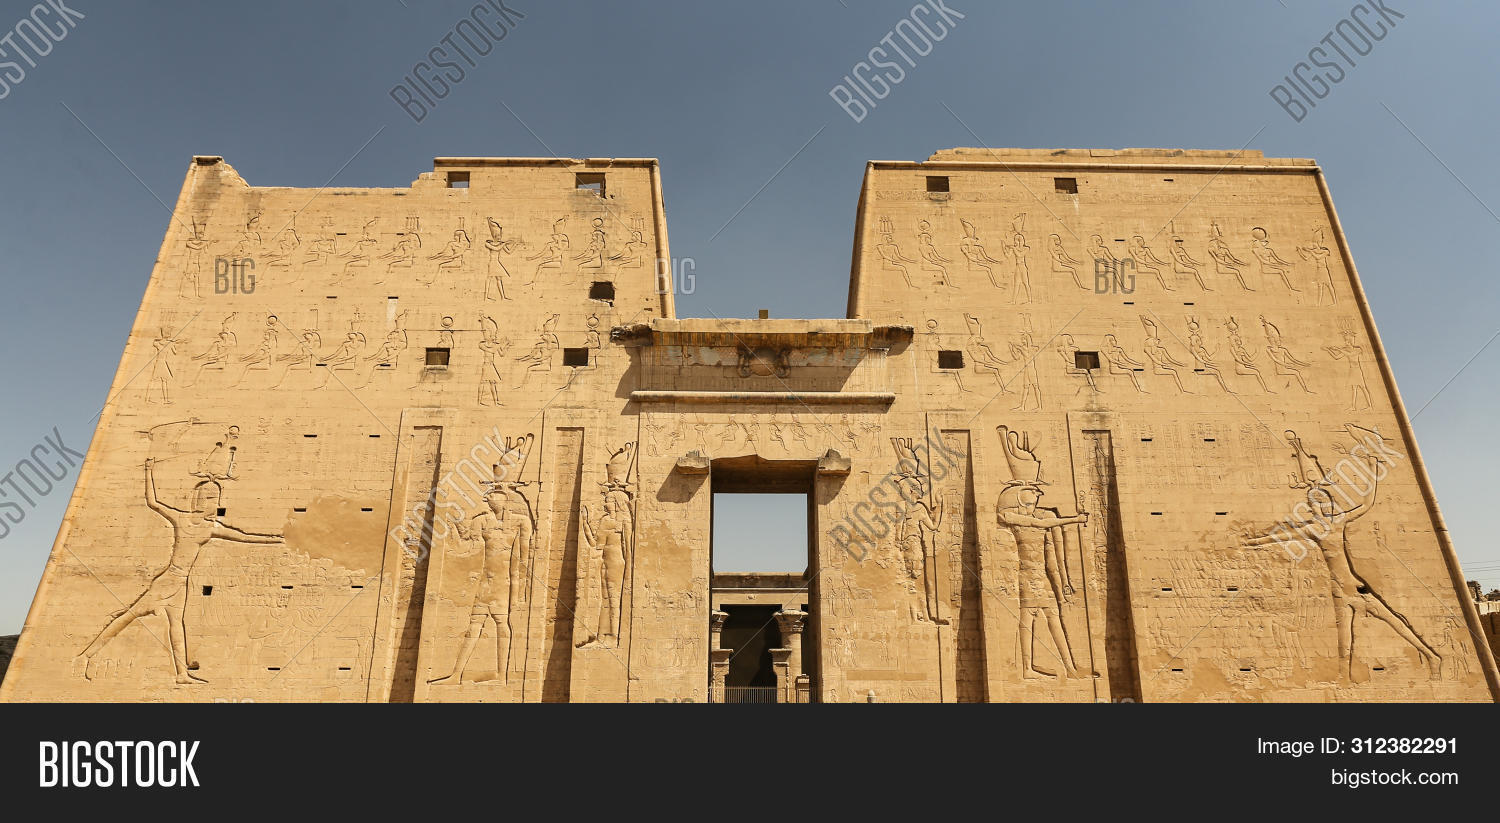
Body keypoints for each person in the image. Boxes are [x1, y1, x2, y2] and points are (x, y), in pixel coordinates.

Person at [77, 459, 283, 684]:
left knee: (176, 626)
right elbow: (153, 502)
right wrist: (148, 471)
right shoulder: (183, 519)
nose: (214, 503)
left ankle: (182, 674)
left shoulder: (209, 528)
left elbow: (244, 537)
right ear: (199, 499)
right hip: (168, 580)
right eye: (210, 498)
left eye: (216, 499)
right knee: (129, 616)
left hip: (180, 584)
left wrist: (275, 539)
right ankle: (85, 656)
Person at [998, 481, 1088, 679]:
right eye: (1030, 502)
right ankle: (1027, 668)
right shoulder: (1012, 518)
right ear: (1019, 502)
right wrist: (1074, 519)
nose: (1034, 506)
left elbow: (1052, 558)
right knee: (1027, 619)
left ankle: (1070, 668)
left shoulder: (1036, 518)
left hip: (1041, 576)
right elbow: (1040, 523)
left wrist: (1062, 581)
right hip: (1026, 575)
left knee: (1054, 617)